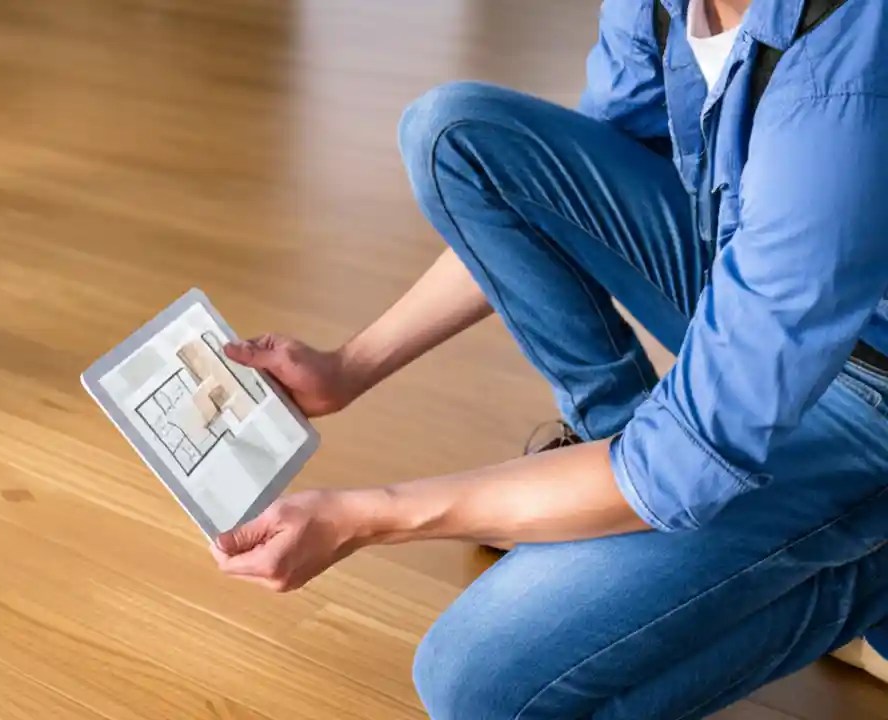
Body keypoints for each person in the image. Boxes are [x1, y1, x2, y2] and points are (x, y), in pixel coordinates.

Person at [209, 0, 888, 717]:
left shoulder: (843, 82)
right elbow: (565, 191)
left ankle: (866, 569)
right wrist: (348, 367)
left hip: (870, 388)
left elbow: (685, 460)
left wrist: (368, 516)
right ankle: (606, 485)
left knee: (476, 684)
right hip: (756, 290)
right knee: (457, 137)